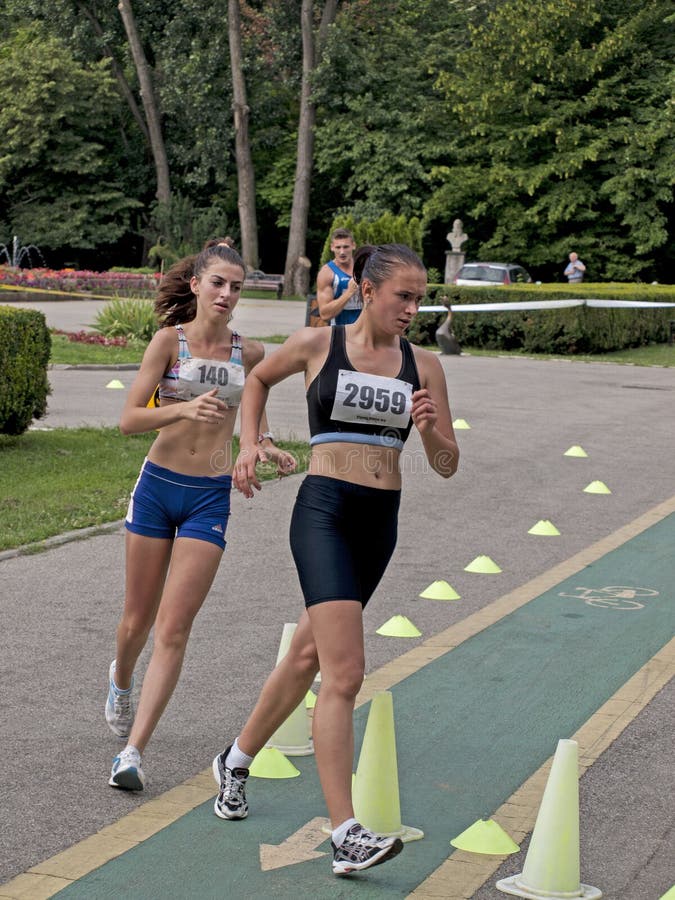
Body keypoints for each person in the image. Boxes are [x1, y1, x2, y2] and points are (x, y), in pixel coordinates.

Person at [212, 243, 459, 876]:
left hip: (380, 522)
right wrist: (252, 442)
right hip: (323, 511)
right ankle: (345, 832)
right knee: (345, 673)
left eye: (420, 299)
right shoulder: (319, 344)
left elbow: (447, 464)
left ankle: (235, 762)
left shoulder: (424, 365)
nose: (412, 309)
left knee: (307, 656)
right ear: (369, 291)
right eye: (403, 296)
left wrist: (430, 429)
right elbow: (258, 379)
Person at [105, 242, 295, 790]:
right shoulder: (170, 341)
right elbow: (127, 420)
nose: (227, 295)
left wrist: (260, 445)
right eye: (217, 283)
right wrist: (184, 407)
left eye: (236, 287)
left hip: (209, 496)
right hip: (158, 487)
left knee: (174, 626)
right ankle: (120, 681)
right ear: (195, 284)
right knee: (136, 621)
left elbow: (254, 410)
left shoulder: (249, 353)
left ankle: (133, 753)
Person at [315, 228, 361, 325]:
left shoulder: (363, 267)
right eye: (338, 247)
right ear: (332, 247)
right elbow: (324, 314)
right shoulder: (327, 273)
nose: (342, 252)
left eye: (346, 247)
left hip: (365, 333)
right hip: (340, 332)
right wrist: (349, 292)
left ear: (353, 245)